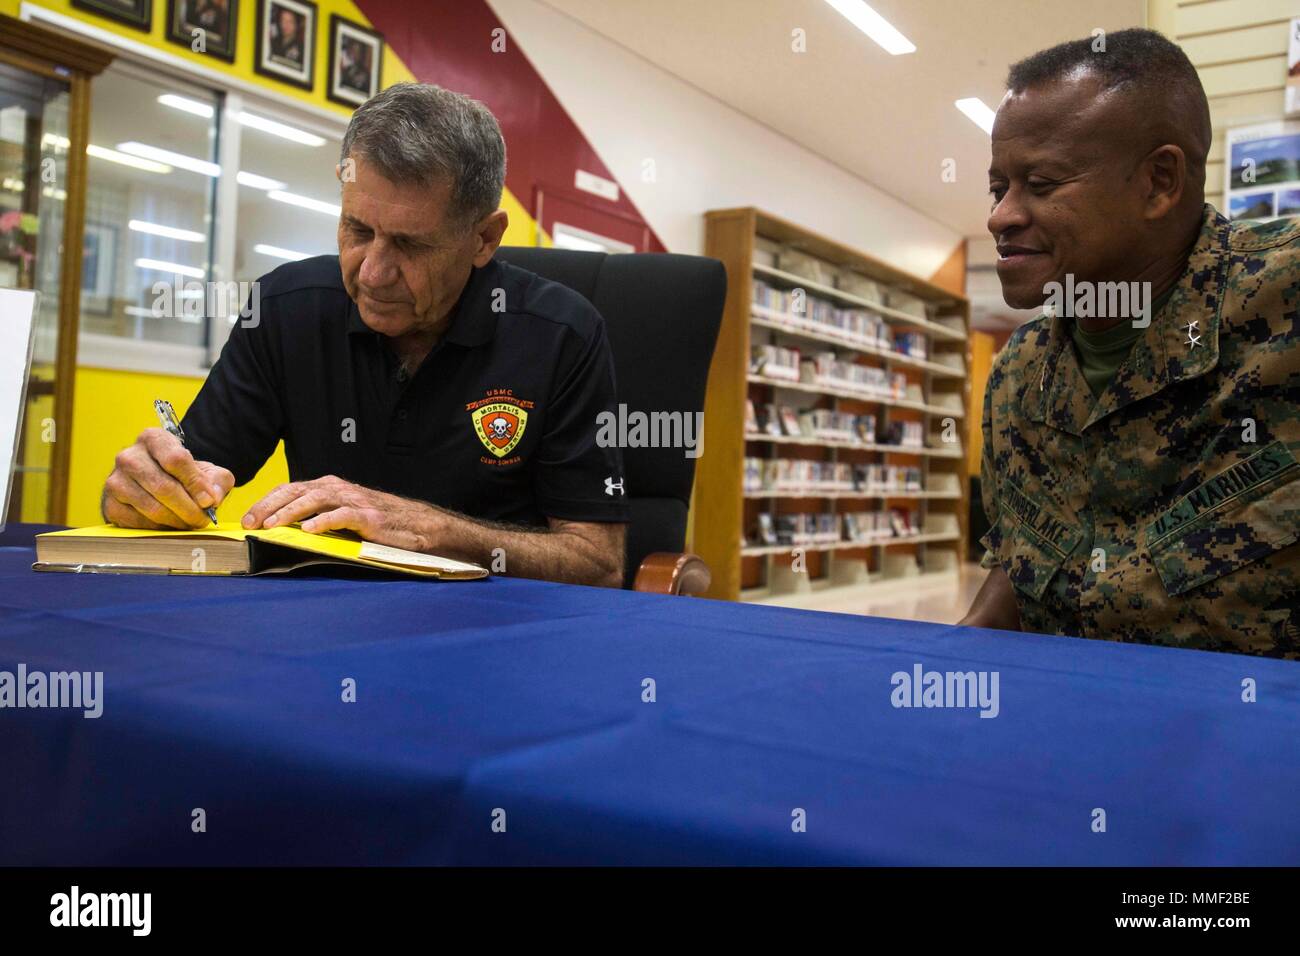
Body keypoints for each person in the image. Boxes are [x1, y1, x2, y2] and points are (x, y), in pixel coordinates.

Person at [101, 83, 629, 588]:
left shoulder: (563, 335)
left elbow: (596, 563)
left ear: (485, 238)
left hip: (495, 631)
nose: (372, 273)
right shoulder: (286, 309)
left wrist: (434, 532)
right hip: (321, 623)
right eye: (357, 230)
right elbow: (191, 483)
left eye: (410, 245)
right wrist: (146, 494)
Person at [960, 29, 1300, 657]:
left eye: (1041, 182)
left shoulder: (1285, 301)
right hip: (1064, 736)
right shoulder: (1019, 373)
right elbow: (1015, 561)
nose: (1000, 216)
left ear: (1159, 182)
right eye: (997, 187)